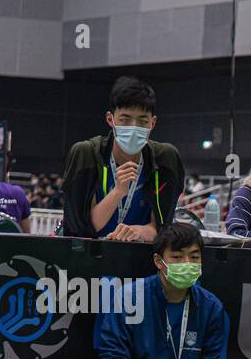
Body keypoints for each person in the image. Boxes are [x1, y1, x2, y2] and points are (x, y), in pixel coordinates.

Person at [95, 222, 251, 359]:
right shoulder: (129, 297)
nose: (187, 264)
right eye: (177, 257)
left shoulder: (211, 306)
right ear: (158, 261)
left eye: (194, 257)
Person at [62, 77, 185, 242]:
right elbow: (80, 229)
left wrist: (141, 231)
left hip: (142, 258)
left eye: (142, 121)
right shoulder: (86, 154)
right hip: (91, 256)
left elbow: (162, 229)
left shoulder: (166, 159)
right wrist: (117, 192)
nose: (133, 127)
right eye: (125, 119)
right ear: (110, 119)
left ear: (152, 123)